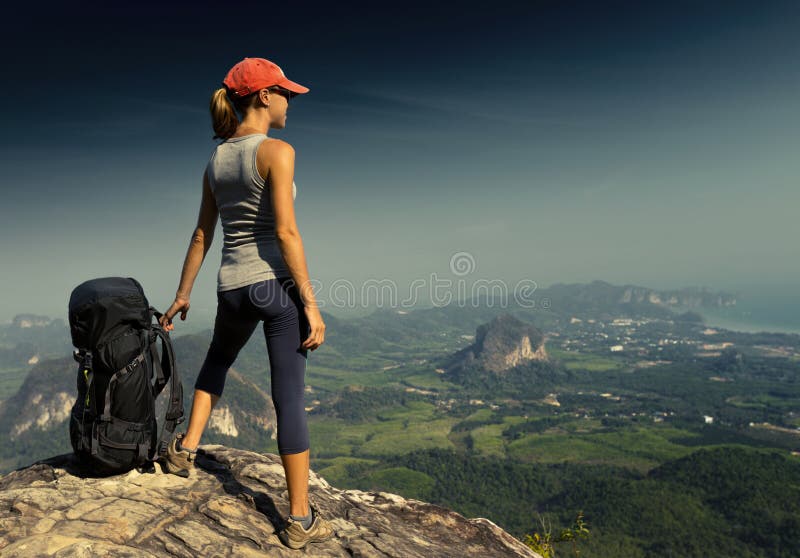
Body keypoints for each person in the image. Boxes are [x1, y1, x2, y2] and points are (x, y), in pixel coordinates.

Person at [157, 57, 333, 550]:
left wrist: (182, 295)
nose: (289, 102)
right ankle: (299, 517)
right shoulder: (278, 151)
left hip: (231, 287)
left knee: (217, 361)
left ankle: (185, 450)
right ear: (262, 97)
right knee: (289, 397)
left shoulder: (214, 162)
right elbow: (285, 231)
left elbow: (201, 235)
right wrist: (312, 306)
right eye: (285, 93)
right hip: (274, 288)